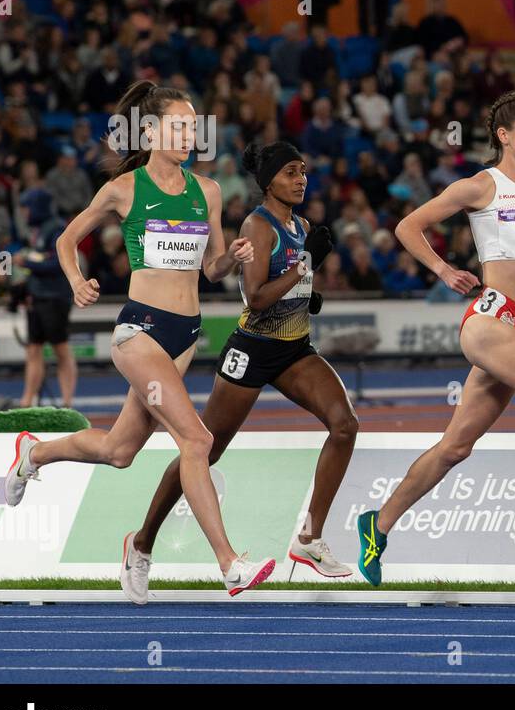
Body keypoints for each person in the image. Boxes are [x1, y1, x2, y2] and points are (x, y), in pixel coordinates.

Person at [3, 79, 275, 597]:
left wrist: (232, 257)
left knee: (119, 449)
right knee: (197, 440)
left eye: (193, 127)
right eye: (178, 126)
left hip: (186, 335)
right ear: (150, 131)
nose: (188, 135)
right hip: (139, 332)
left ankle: (34, 455)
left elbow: (212, 270)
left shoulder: (208, 192)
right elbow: (66, 239)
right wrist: (77, 280)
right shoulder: (123, 190)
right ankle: (229, 564)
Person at [356, 92, 515, 582]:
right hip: (491, 322)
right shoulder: (482, 186)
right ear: (504, 135)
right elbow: (407, 226)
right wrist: (444, 270)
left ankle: (377, 523)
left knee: (455, 447)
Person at [119, 141, 357, 605]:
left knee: (345, 424)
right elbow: (257, 298)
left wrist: (310, 291)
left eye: (304, 170)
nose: (301, 179)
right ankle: (142, 541)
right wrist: (306, 264)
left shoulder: (302, 225)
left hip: (295, 349)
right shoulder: (257, 224)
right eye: (291, 172)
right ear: (269, 182)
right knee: (205, 449)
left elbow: (293, 284)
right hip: (251, 350)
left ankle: (308, 538)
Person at [15, 189, 77, 409]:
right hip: (38, 296)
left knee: (61, 348)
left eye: (26, 208)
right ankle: (27, 400)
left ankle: (68, 401)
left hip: (55, 297)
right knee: (33, 348)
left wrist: (27, 263)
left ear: (37, 206)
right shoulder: (37, 230)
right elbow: (40, 260)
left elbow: (58, 263)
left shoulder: (57, 228)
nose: (24, 213)